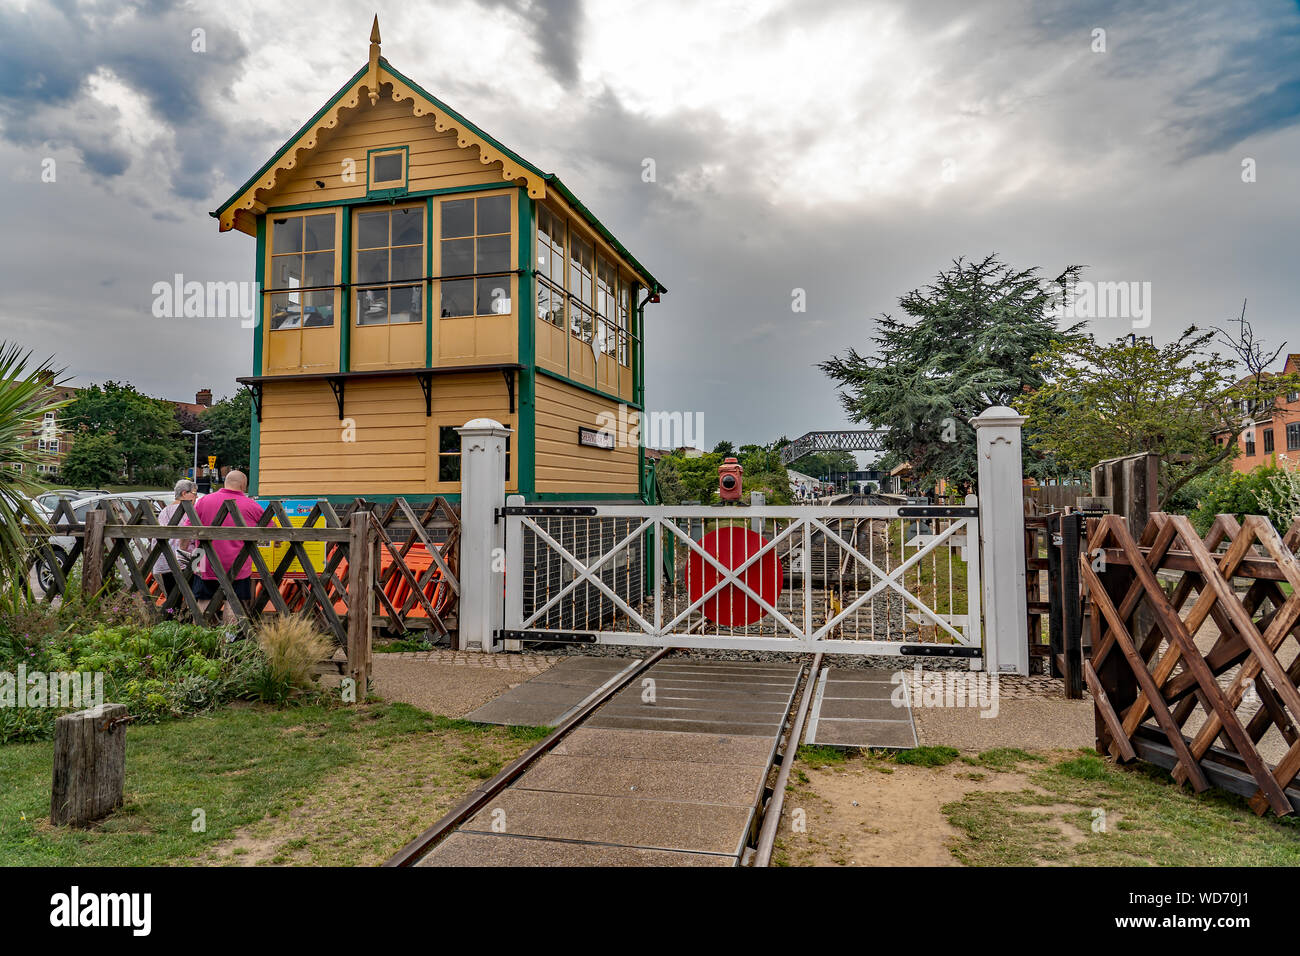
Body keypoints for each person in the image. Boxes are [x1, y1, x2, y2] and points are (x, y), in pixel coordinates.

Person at [185, 470, 267, 631]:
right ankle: (227, 641)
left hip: (202, 559)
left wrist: (182, 549)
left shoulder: (203, 501)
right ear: (243, 485)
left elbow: (188, 529)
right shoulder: (252, 505)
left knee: (202, 599)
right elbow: (272, 531)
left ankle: (198, 638)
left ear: (225, 482)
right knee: (233, 601)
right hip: (237, 562)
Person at [154, 479, 198, 603]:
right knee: (193, 597)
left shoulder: (164, 512)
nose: (196, 496)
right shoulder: (189, 512)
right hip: (187, 560)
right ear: (184, 493)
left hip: (166, 561)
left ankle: (171, 618)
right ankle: (190, 620)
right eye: (194, 493)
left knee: (172, 596)